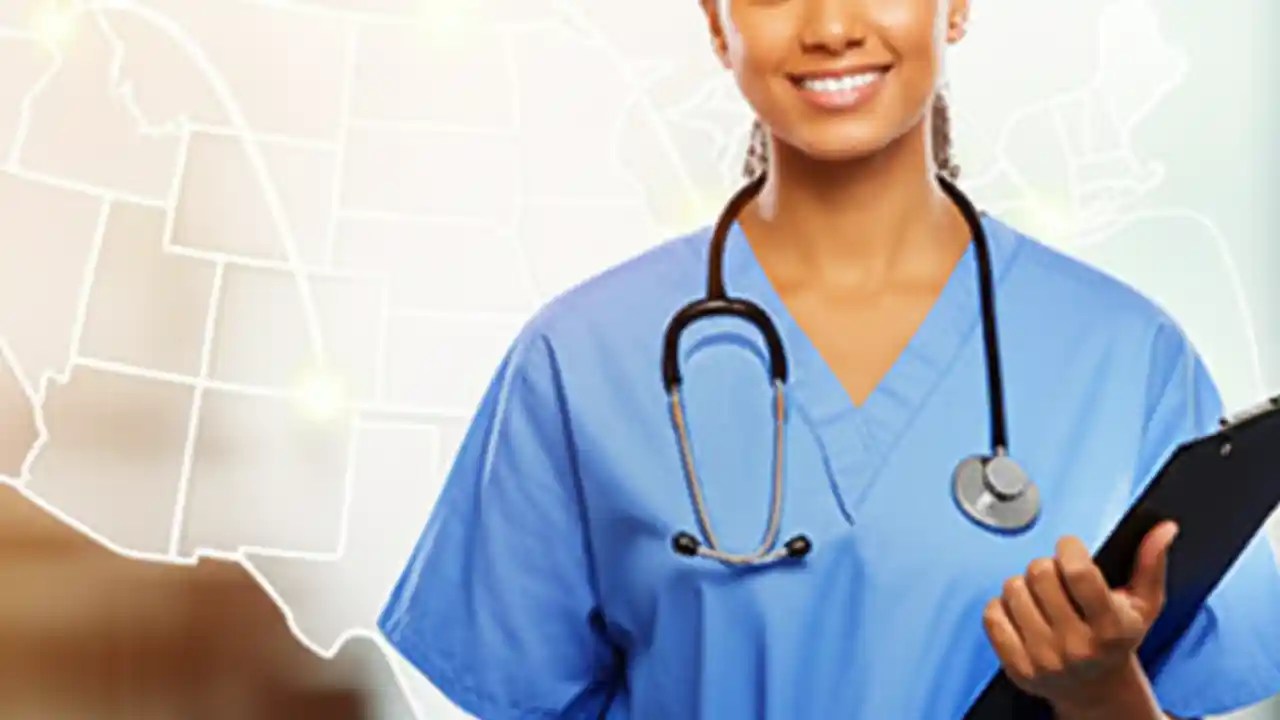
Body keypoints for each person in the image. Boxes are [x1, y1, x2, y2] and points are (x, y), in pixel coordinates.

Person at [377, 1, 1280, 717]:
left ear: (956, 5)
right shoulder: (579, 363)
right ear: (712, 18)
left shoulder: (1127, 357)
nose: (830, 25)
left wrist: (1101, 700)